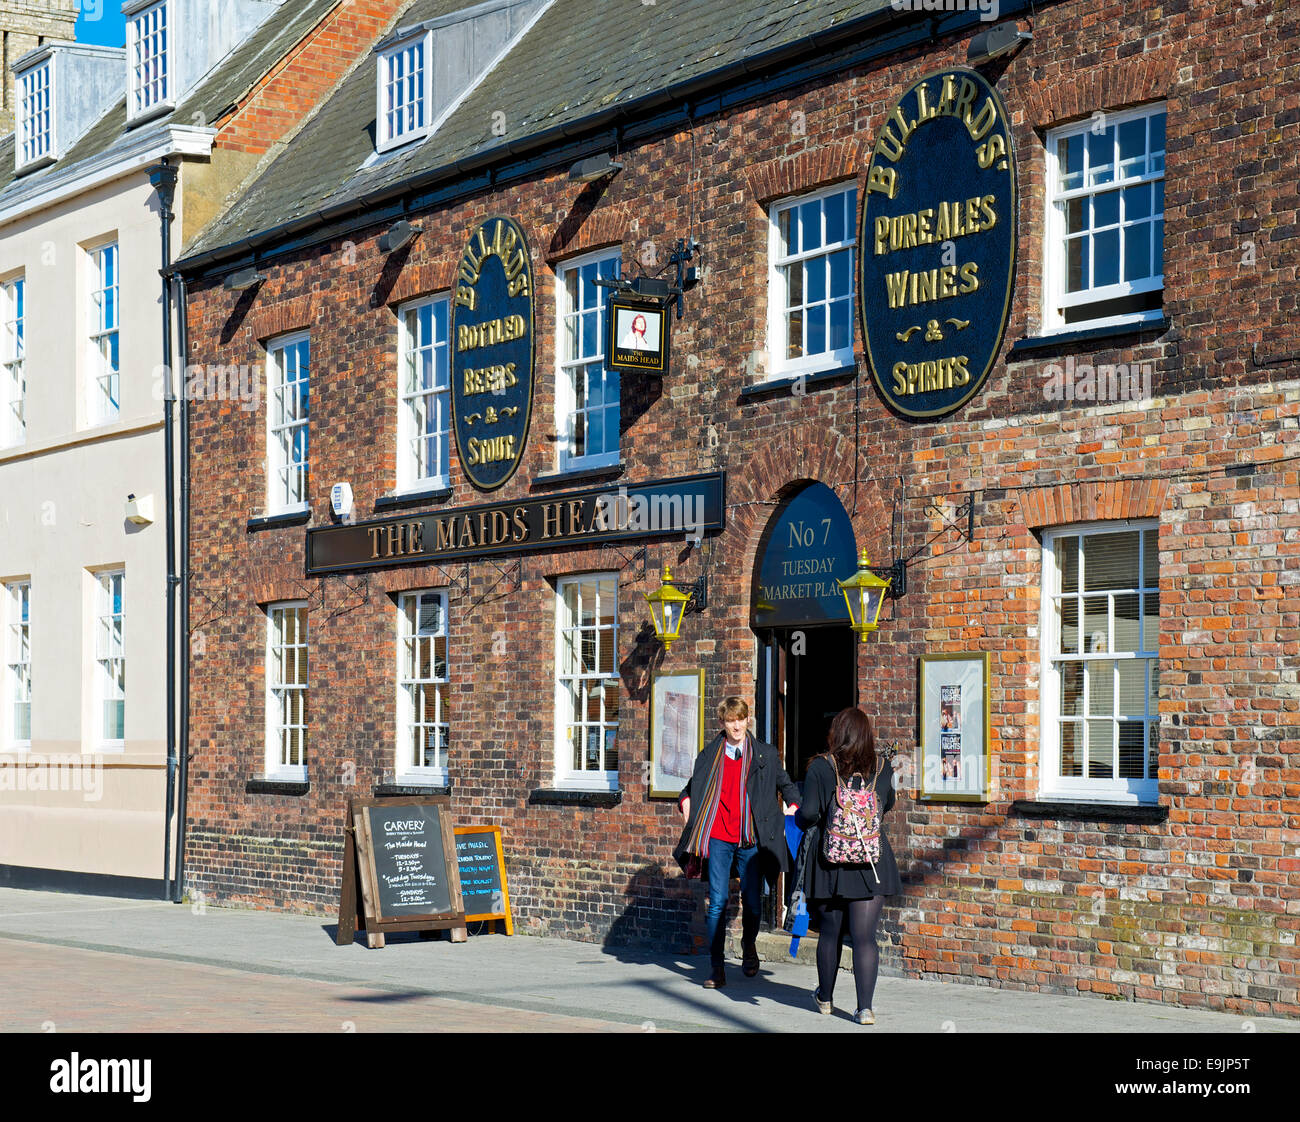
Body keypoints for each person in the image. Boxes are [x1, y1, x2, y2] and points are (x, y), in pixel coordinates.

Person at [674, 696, 799, 988]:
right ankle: (716, 967)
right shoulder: (709, 756)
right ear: (723, 723)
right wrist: (686, 803)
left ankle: (749, 946)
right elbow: (688, 790)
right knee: (717, 903)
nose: (736, 726)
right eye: (731, 721)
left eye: (741, 719)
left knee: (753, 904)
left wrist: (792, 807)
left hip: (751, 839)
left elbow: (787, 786)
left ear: (747, 720)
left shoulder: (765, 755)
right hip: (718, 837)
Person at [794, 707, 899, 1024]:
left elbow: (810, 814)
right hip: (870, 862)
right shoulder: (882, 767)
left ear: (836, 734)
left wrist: (796, 814)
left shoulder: (821, 767)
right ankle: (864, 1008)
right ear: (867, 734)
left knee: (829, 934)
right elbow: (888, 805)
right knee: (865, 938)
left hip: (831, 863)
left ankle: (825, 998)